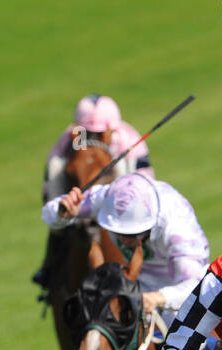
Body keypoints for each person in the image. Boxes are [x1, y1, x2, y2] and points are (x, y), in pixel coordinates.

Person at [43, 173, 210, 350]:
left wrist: (157, 298)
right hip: (135, 283)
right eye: (119, 233)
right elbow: (50, 213)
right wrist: (63, 212)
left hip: (178, 285)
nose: (126, 240)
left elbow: (197, 288)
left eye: (134, 235)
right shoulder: (109, 198)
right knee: (99, 327)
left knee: (202, 348)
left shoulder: (177, 228)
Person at [33, 95, 155, 291]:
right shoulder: (75, 137)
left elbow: (146, 178)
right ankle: (49, 264)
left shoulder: (126, 139)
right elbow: (55, 163)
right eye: (88, 132)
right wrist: (56, 200)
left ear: (109, 130)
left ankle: (150, 260)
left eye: (98, 133)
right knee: (58, 177)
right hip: (75, 189)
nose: (92, 137)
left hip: (123, 186)